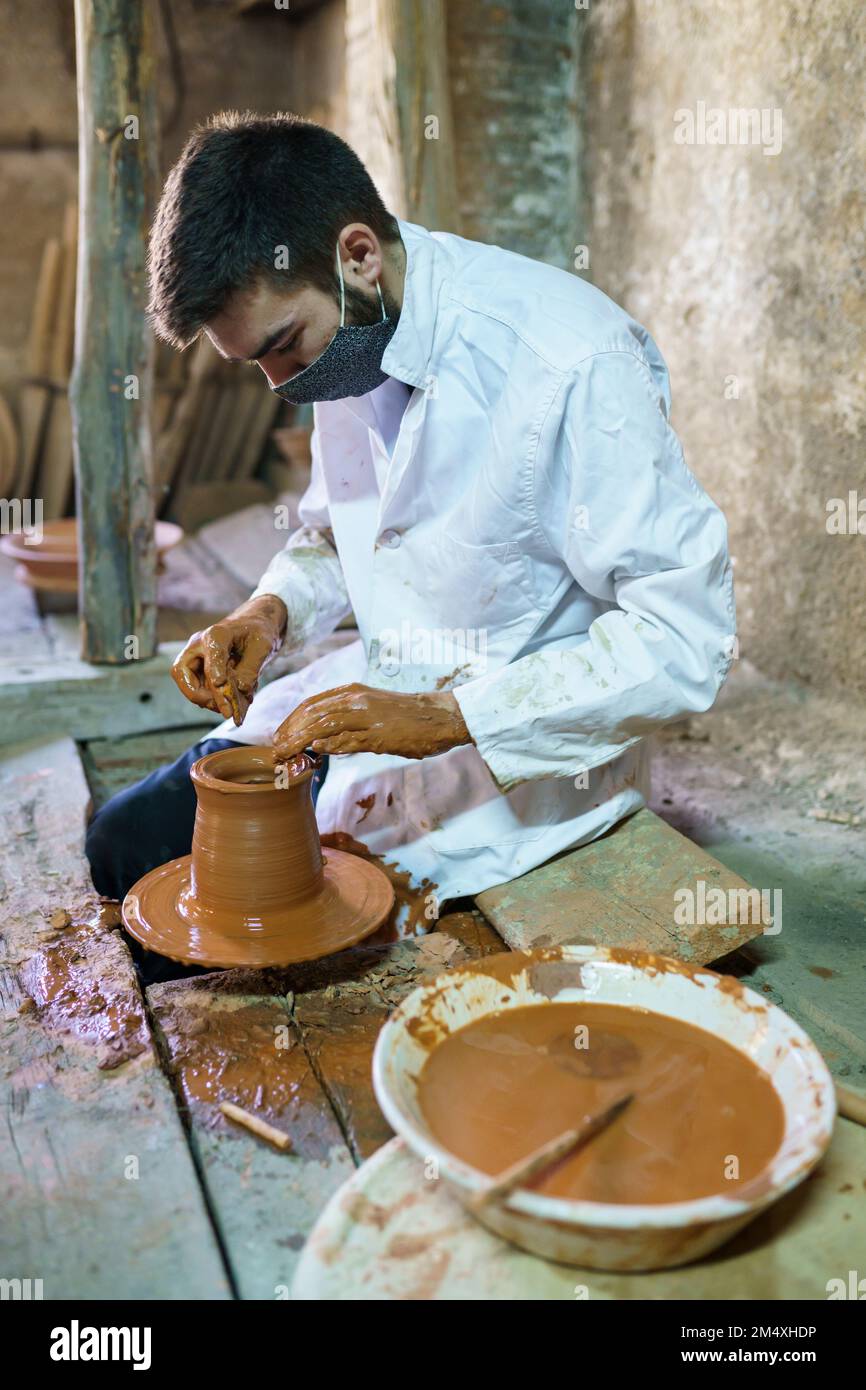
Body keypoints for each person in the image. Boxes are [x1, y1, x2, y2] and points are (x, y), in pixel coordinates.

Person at [87, 110, 736, 956]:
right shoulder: (354, 328)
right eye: (258, 365)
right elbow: (336, 530)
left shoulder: (570, 362)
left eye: (284, 346)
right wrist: (268, 612)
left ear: (358, 255)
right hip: (372, 698)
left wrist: (447, 718)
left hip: (515, 756)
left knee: (300, 929)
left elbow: (684, 639)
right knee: (123, 844)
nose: (284, 385)